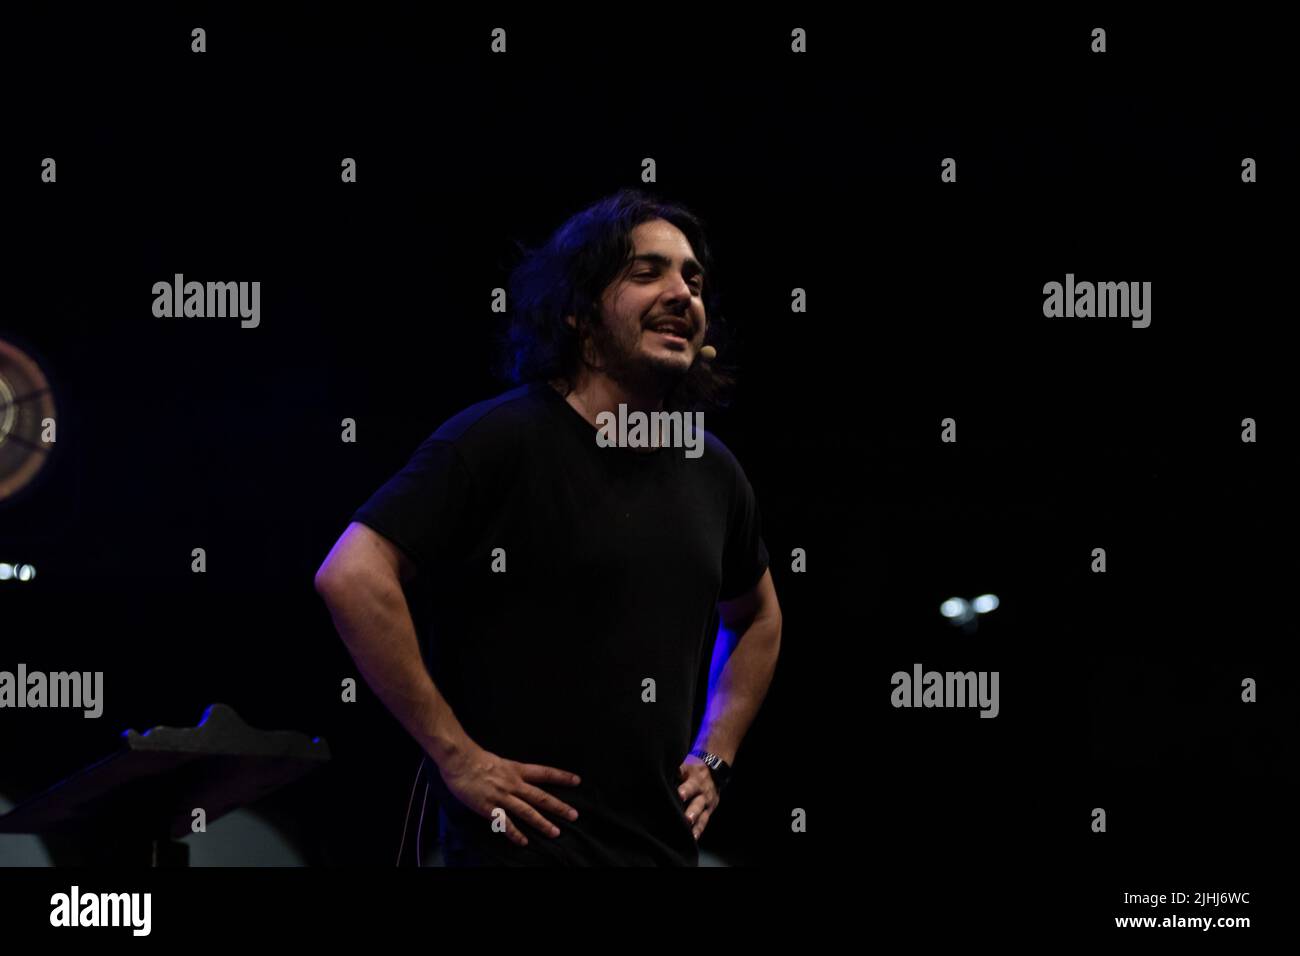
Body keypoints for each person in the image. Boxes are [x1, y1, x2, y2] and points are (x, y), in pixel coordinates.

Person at [314, 189, 782, 865]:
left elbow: (759, 614)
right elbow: (351, 574)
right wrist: (457, 755)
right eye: (647, 273)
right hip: (510, 850)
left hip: (656, 852)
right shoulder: (501, 440)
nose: (683, 293)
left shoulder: (711, 470)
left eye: (693, 279)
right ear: (578, 310)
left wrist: (718, 752)